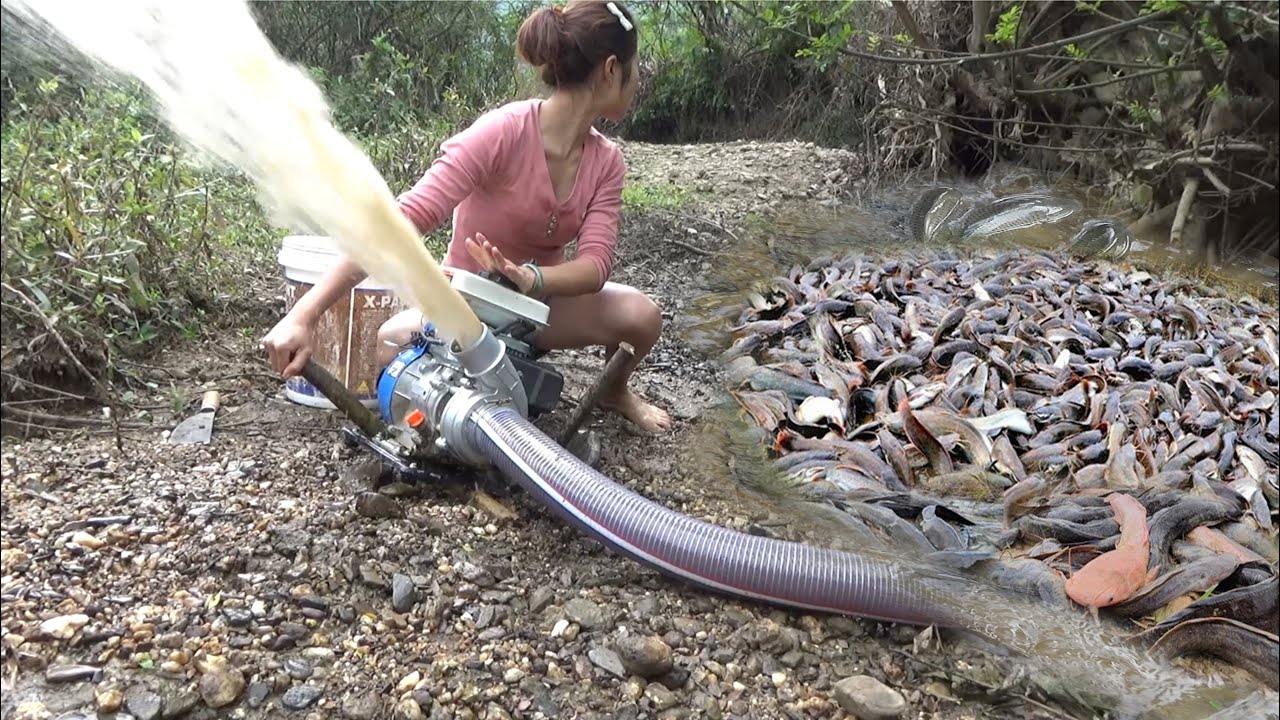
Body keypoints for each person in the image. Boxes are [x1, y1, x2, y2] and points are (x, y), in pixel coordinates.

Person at [261, 0, 672, 434]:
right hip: (465, 308)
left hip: (539, 310)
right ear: (610, 69)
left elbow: (595, 266)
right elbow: (402, 222)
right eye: (634, 67)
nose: (637, 79)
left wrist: (533, 279)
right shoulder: (502, 131)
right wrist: (302, 316)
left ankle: (613, 390)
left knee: (642, 316)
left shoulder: (606, 162)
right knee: (390, 344)